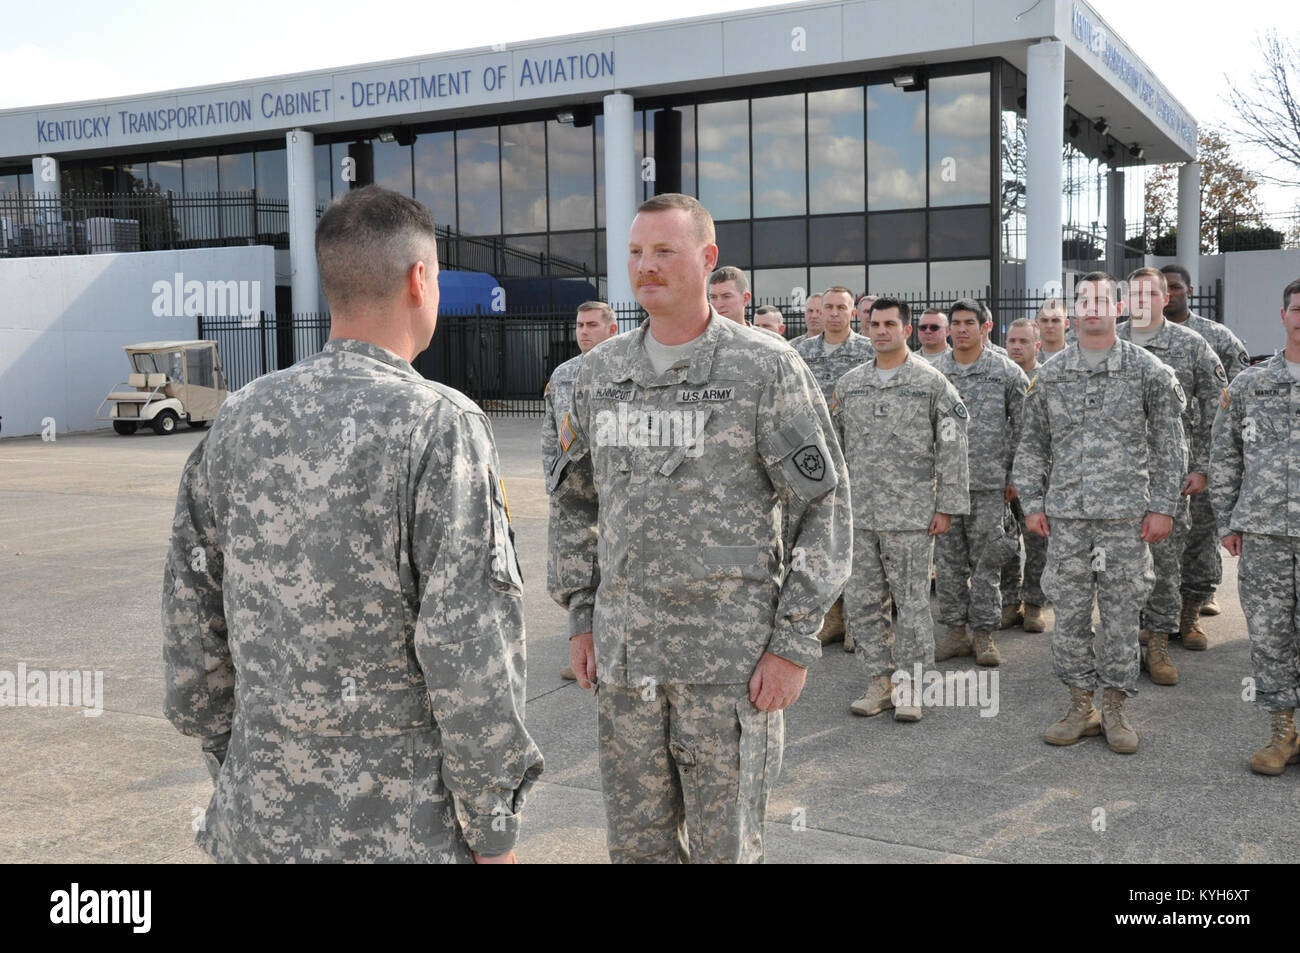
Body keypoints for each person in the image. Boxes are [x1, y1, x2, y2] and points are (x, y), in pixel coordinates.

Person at [162, 185, 543, 863]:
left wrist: (245, 760)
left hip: (259, 821)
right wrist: (492, 823)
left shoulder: (238, 418)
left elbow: (191, 630)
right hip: (404, 829)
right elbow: (470, 646)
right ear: (419, 279)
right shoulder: (439, 424)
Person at [547, 192, 851, 863]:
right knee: (636, 849)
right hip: (628, 667)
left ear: (707, 259)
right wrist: (582, 614)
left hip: (730, 666)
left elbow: (823, 505)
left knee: (726, 850)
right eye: (635, 252)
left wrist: (793, 641)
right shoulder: (600, 375)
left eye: (664, 251)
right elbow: (574, 500)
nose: (645, 266)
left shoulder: (764, 367)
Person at [1013, 271, 1186, 755]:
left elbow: (1169, 446)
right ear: (1074, 312)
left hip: (1126, 518)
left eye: (1101, 299)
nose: (1092, 307)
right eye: (1083, 299)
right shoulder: (1050, 374)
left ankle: (1115, 706)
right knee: (1067, 613)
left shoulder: (1148, 371)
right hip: (1066, 516)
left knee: (1121, 615)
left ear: (1119, 308)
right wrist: (1032, 502)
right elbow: (1032, 445)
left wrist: (1163, 507)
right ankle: (1079, 704)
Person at [832, 298, 969, 721]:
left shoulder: (931, 383)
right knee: (864, 603)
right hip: (861, 515)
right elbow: (834, 449)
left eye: (890, 324)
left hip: (910, 516)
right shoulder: (849, 384)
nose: (880, 331)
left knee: (910, 605)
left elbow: (953, 444)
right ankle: (879, 681)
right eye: (874, 324)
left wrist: (947, 505)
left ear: (907, 330)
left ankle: (911, 685)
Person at [1117, 268, 1225, 686]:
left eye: (1151, 293)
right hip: (1115, 476)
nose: (1143, 300)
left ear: (1167, 299)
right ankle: (1125, 641)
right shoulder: (1111, 341)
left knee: (1164, 560)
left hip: (1168, 474)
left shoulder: (1191, 345)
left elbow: (1217, 405)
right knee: (1118, 565)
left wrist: (1201, 465)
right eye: (1135, 293)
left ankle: (1159, 639)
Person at [1210, 278, 1300, 775]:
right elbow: (1224, 457)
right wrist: (1228, 520)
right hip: (1264, 533)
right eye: (1296, 309)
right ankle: (1281, 733)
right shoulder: (1250, 384)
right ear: (1283, 315)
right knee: (1270, 636)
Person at [1159, 264, 1253, 639]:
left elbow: (1238, 391)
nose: (1170, 294)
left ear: (1189, 290)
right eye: (1163, 288)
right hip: (1155, 458)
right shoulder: (1133, 337)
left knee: (1198, 535)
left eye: (1176, 287)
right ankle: (1153, 622)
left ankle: (1190, 611)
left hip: (1200, 455)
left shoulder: (1215, 337)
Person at [933, 299, 1028, 666]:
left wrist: (1015, 477)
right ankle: (955, 632)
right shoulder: (933, 371)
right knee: (949, 562)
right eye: (955, 323)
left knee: (987, 562)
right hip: (945, 486)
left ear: (986, 328)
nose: (960, 329)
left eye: (968, 322)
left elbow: (1024, 429)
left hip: (990, 485)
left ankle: (984, 633)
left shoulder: (1006, 373)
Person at [543, 301, 619, 680]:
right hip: (577, 492)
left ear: (612, 329)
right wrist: (552, 483)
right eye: (579, 325)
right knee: (578, 570)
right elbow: (551, 435)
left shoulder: (621, 371)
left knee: (613, 570)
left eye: (591, 324)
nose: (583, 331)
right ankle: (587, 649)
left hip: (613, 489)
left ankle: (608, 651)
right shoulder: (563, 375)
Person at [1000, 317, 1049, 632]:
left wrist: (1024, 477)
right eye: (1012, 341)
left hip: (1038, 478)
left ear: (1037, 345)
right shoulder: (999, 375)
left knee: (1037, 544)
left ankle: (1033, 604)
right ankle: (1008, 601)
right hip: (1001, 477)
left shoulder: (1048, 379)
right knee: (1004, 544)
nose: (1017, 347)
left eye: (1024, 342)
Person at [797, 286, 876, 401]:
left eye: (841, 308)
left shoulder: (870, 349)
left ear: (853, 313)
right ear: (822, 312)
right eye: (829, 307)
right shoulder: (804, 349)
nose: (834, 313)